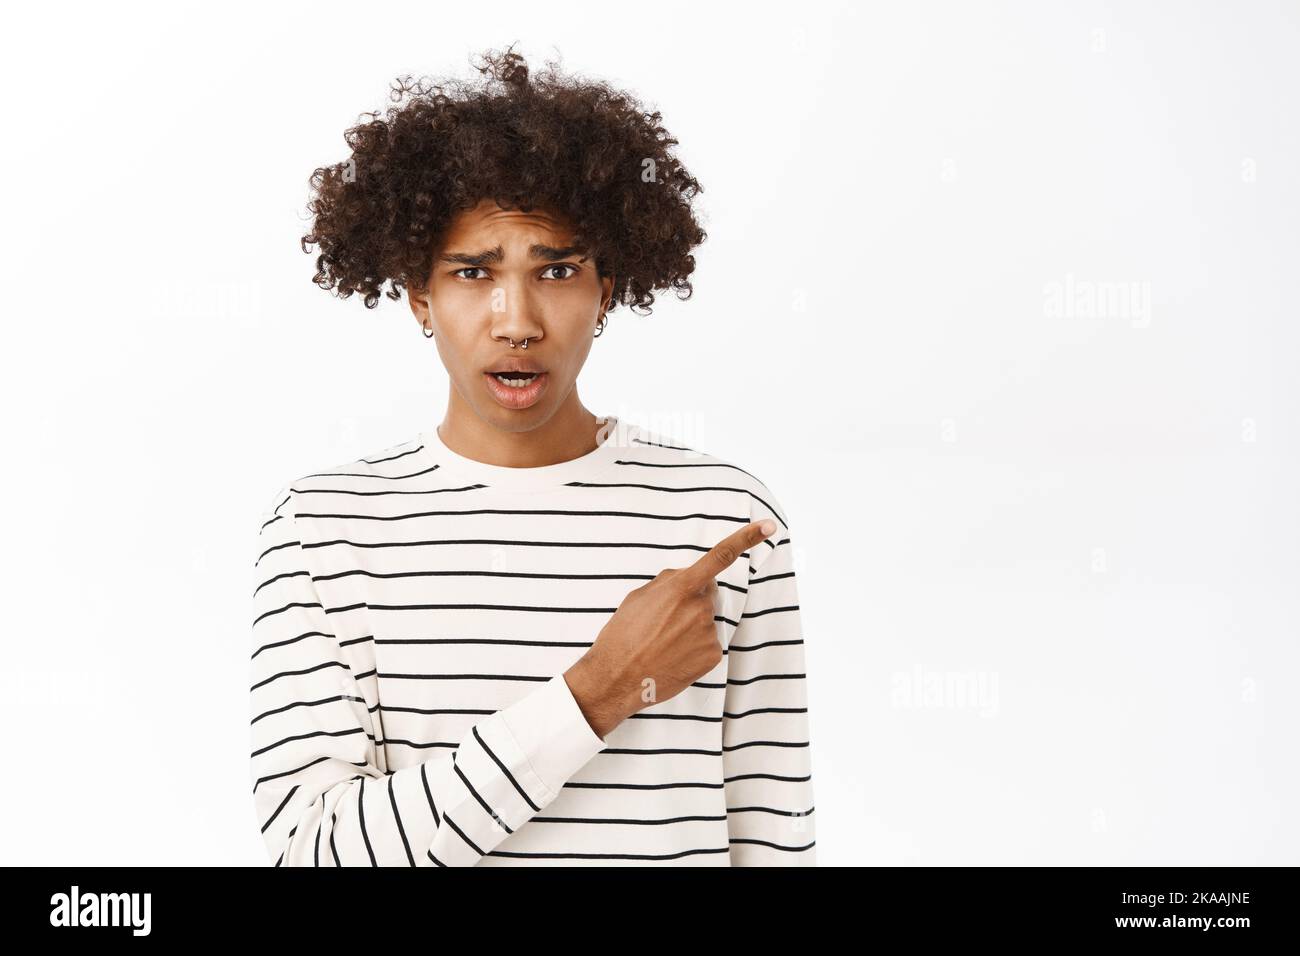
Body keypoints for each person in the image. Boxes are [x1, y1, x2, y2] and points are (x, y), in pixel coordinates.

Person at [249, 46, 816, 866]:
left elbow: (771, 839)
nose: (517, 321)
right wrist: (598, 691)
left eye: (557, 269)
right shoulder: (326, 530)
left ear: (608, 289)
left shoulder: (723, 520)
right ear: (419, 295)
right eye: (474, 272)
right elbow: (312, 852)